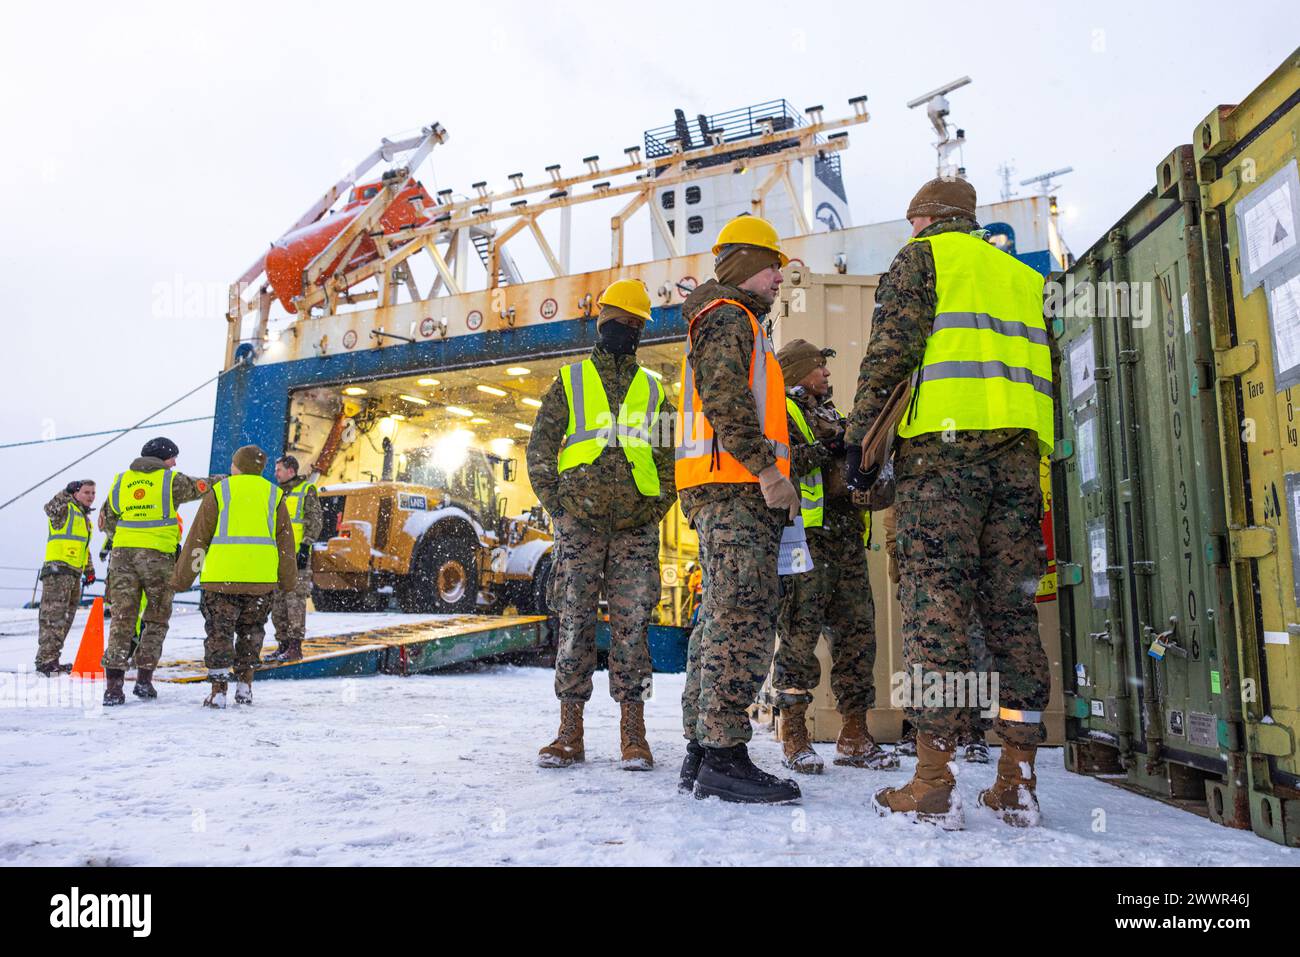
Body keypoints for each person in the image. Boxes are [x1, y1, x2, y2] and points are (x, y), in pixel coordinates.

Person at [846, 176, 1053, 828]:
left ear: (929, 219)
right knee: (1013, 613)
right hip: (1019, 459)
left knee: (936, 612)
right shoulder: (1019, 276)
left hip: (944, 456)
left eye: (914, 221)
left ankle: (934, 779)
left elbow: (890, 355)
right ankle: (1018, 779)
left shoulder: (923, 258)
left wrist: (859, 445)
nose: (911, 231)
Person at [675, 214, 802, 804]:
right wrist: (769, 471)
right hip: (737, 487)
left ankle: (704, 749)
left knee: (719, 616)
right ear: (750, 265)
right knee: (743, 615)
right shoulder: (730, 318)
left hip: (723, 487)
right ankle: (724, 755)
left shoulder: (730, 319)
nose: (781, 276)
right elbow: (724, 396)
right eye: (774, 264)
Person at [526, 279, 677, 770]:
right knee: (574, 627)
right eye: (620, 322)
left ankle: (634, 734)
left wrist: (655, 508)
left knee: (635, 631)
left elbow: (673, 455)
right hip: (580, 530)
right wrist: (560, 509)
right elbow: (541, 450)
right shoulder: (569, 381)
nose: (626, 331)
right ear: (601, 323)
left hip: (634, 531)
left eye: (635, 325)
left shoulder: (655, 390)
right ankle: (570, 733)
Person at [772, 340, 896, 773]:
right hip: (805, 544)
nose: (826, 373)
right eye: (818, 366)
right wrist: (834, 449)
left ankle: (854, 734)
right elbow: (783, 460)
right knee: (798, 639)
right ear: (796, 373)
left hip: (845, 542)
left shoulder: (835, 416)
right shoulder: (781, 414)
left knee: (858, 637)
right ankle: (795, 735)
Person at [171, 445, 296, 708]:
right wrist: (287, 580)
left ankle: (218, 692)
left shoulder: (220, 491)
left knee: (219, 633)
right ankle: (245, 686)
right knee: (252, 632)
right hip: (260, 581)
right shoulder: (274, 495)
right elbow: (285, 544)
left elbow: (199, 539)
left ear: (237, 466)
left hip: (221, 580)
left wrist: (182, 578)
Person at [100, 437, 213, 705]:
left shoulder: (120, 481)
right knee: (156, 617)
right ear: (164, 458)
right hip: (157, 559)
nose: (175, 462)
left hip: (122, 557)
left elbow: (107, 520)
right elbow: (204, 486)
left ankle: (114, 688)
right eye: (173, 457)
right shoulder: (169, 480)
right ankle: (143, 681)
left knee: (122, 618)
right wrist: (233, 477)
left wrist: (129, 539)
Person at [35, 480, 97, 674]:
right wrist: (65, 492)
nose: (91, 496)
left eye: (93, 493)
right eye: (86, 492)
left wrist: (89, 570)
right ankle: (46, 660)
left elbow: (83, 547)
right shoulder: (64, 510)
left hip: (74, 573)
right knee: (53, 616)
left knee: (66, 617)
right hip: (58, 571)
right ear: (76, 493)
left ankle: (52, 657)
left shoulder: (85, 519)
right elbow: (49, 508)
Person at [267, 455, 322, 662]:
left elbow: (315, 521)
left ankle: (295, 646)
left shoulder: (306, 490)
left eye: (279, 469)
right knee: (277, 602)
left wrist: (306, 547)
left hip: (297, 557)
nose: (276, 473)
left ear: (291, 471)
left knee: (295, 602)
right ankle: (282, 645)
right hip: (277, 556)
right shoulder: (277, 493)